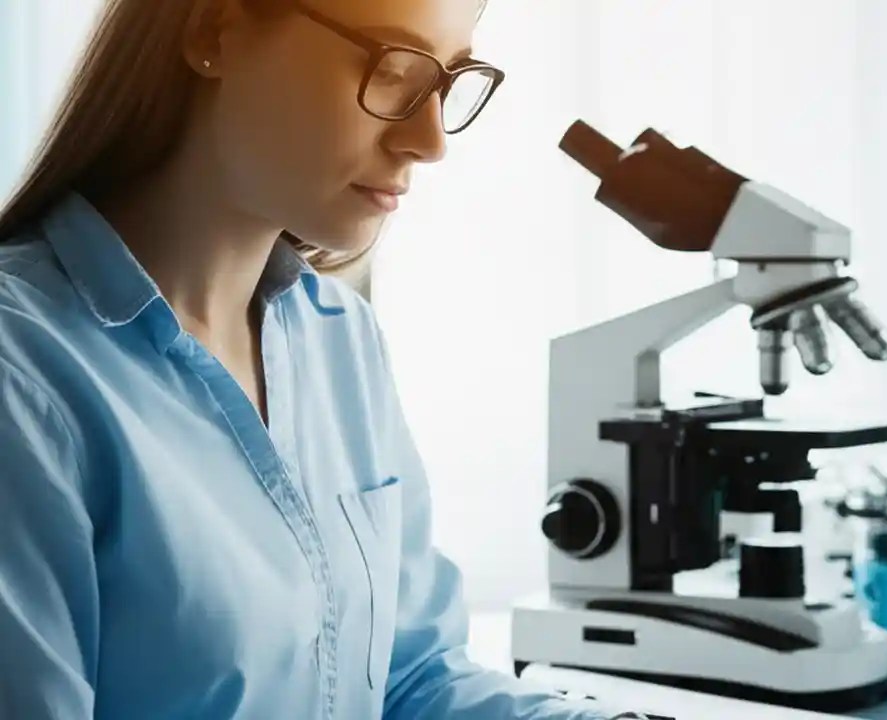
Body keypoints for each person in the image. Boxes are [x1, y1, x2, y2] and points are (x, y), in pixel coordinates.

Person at [0, 0, 645, 718]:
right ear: (215, 31)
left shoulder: (339, 337)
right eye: (395, 70)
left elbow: (413, 680)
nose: (429, 141)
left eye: (449, 82)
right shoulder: (22, 374)